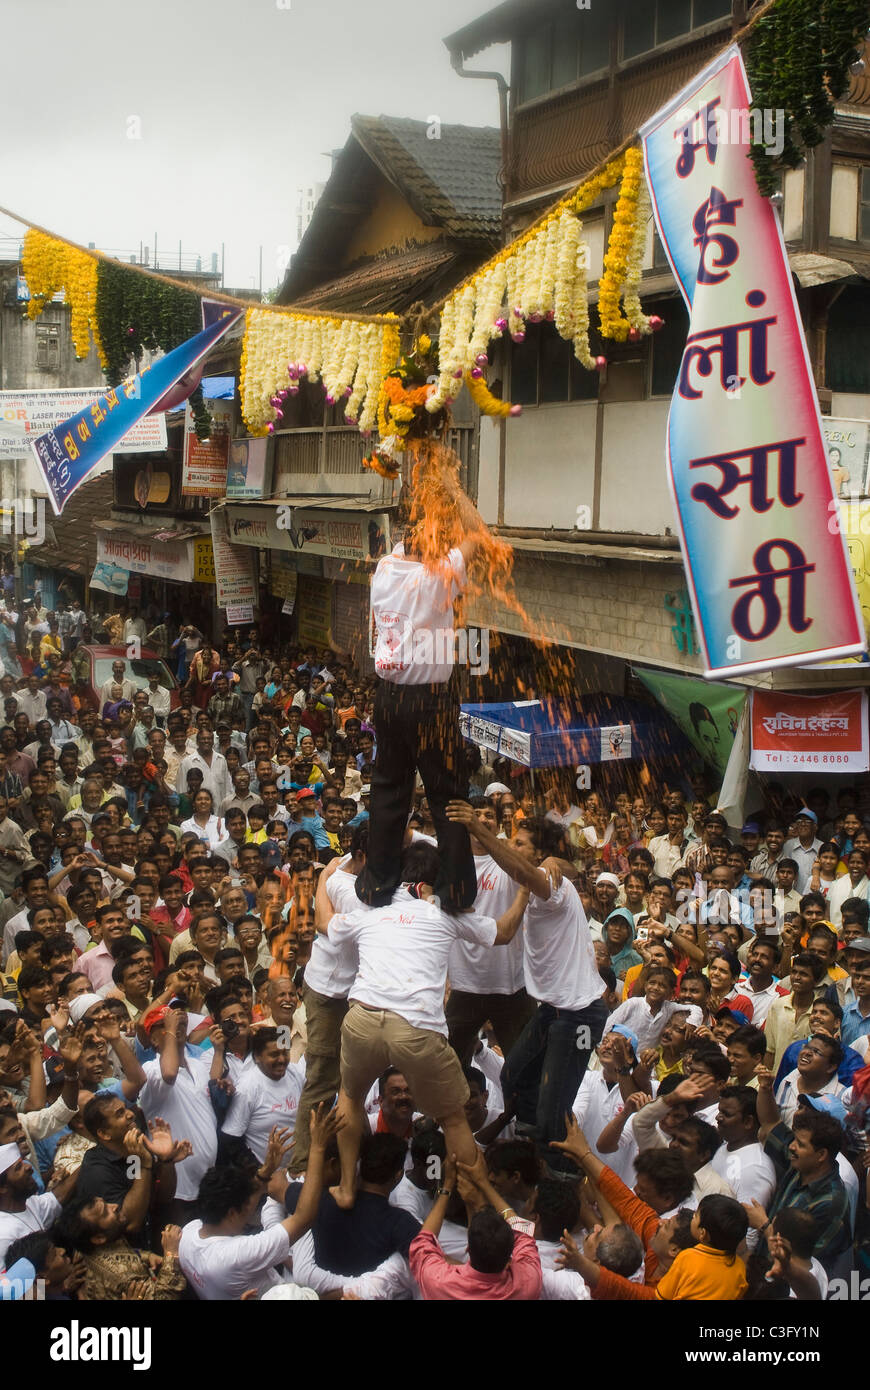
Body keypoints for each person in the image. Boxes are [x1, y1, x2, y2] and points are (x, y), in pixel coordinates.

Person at [324, 839, 529, 1207]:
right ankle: (479, 1204)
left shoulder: (371, 910)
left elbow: (324, 923)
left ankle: (345, 1186)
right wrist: (525, 890)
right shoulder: (444, 913)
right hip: (416, 1028)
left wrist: (323, 879)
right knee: (453, 1119)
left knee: (350, 1097)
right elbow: (504, 932)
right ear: (434, 880)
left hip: (363, 1019)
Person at [355, 458, 485, 913]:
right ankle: (456, 891)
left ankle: (377, 884)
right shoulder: (441, 572)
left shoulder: (386, 568)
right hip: (430, 702)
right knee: (447, 794)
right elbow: (478, 533)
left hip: (387, 699)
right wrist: (451, 482)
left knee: (388, 788)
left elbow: (411, 531)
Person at [179, 1109, 338, 1300]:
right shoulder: (237, 1255)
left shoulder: (189, 1232)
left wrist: (267, 1170)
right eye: (246, 1204)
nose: (251, 1205)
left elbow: (245, 1199)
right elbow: (304, 1218)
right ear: (231, 1213)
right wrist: (317, 1148)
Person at [409, 1150, 543, 1301]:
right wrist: (484, 1184)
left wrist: (447, 1187)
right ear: (509, 1258)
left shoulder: (439, 1282)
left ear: (467, 1248)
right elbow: (522, 1229)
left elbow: (423, 1241)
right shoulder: (528, 1283)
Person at [654, 1194, 748, 1300]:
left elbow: (661, 1296)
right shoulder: (740, 1268)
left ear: (702, 1234)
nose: (693, 1217)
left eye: (695, 1216)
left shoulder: (688, 1257)